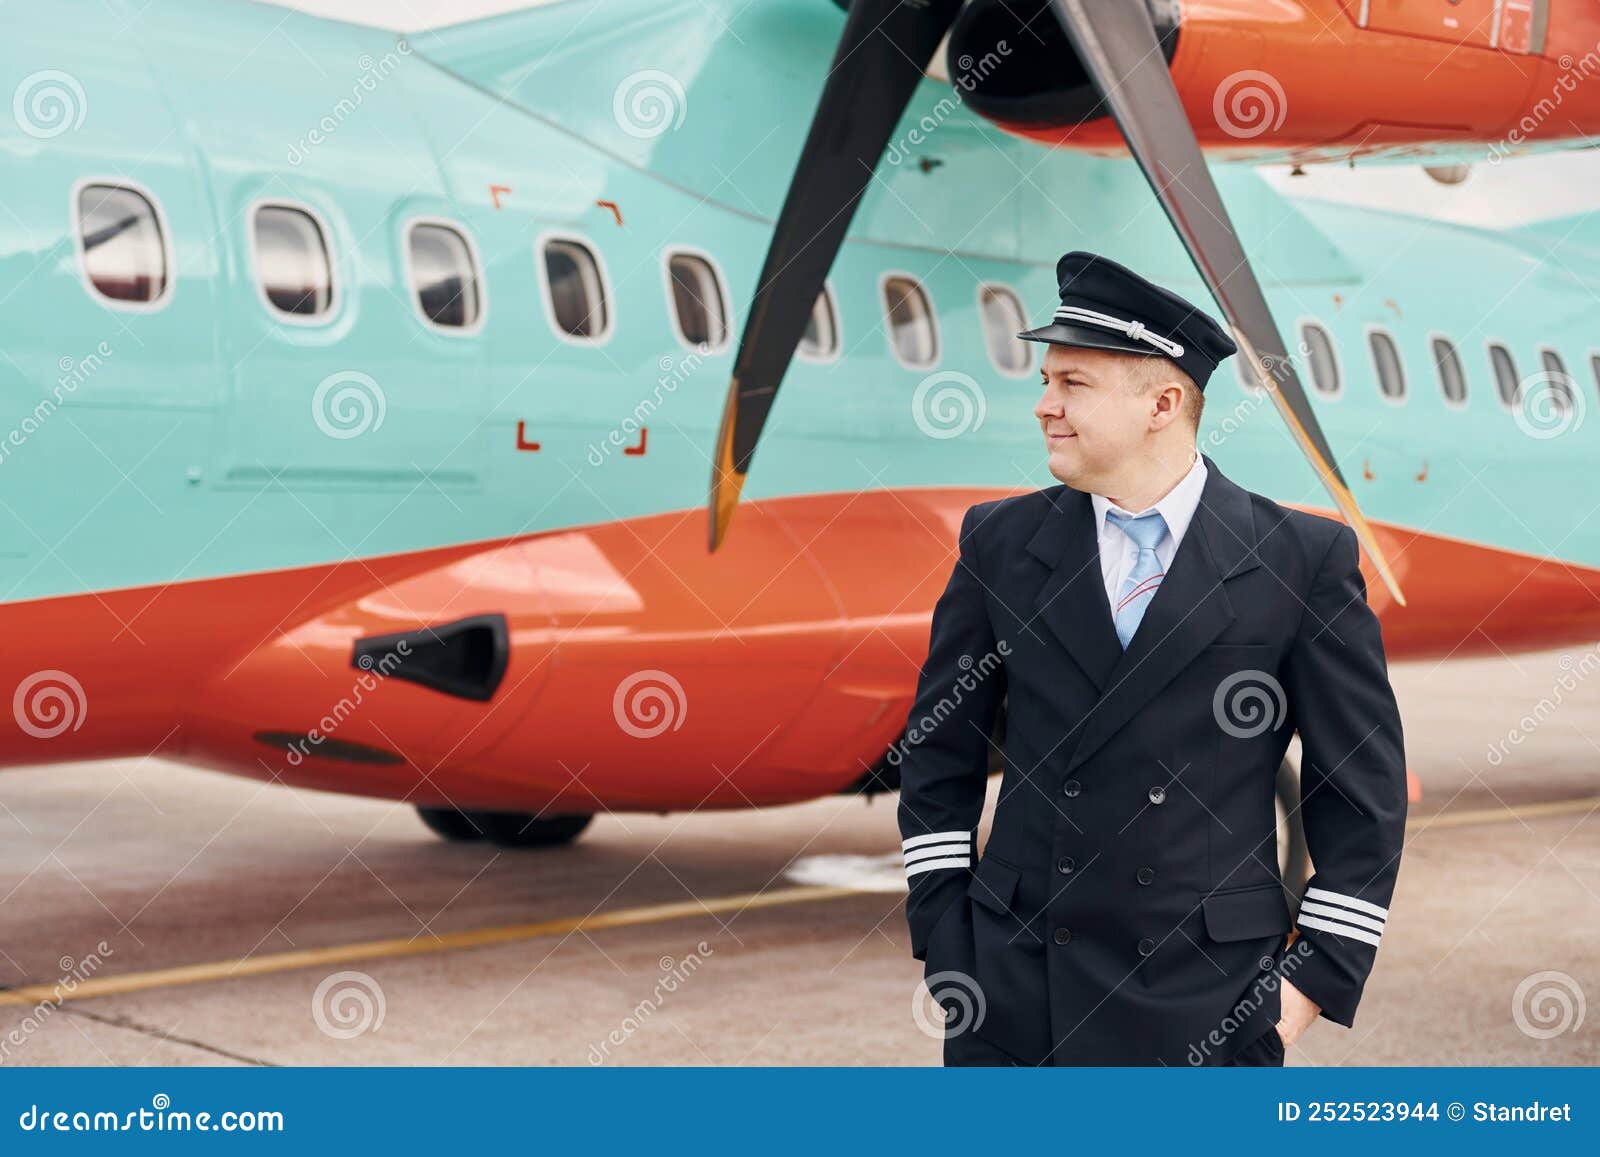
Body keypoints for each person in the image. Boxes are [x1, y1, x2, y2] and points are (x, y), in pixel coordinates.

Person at [896, 251, 1408, 1066]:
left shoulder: (1299, 558)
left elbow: (1362, 792)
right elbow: (936, 756)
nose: (1044, 406)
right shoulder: (999, 541)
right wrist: (948, 939)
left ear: (1164, 403)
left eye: (1073, 384)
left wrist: (1308, 983)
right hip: (1017, 994)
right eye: (1046, 380)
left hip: (1208, 1000)